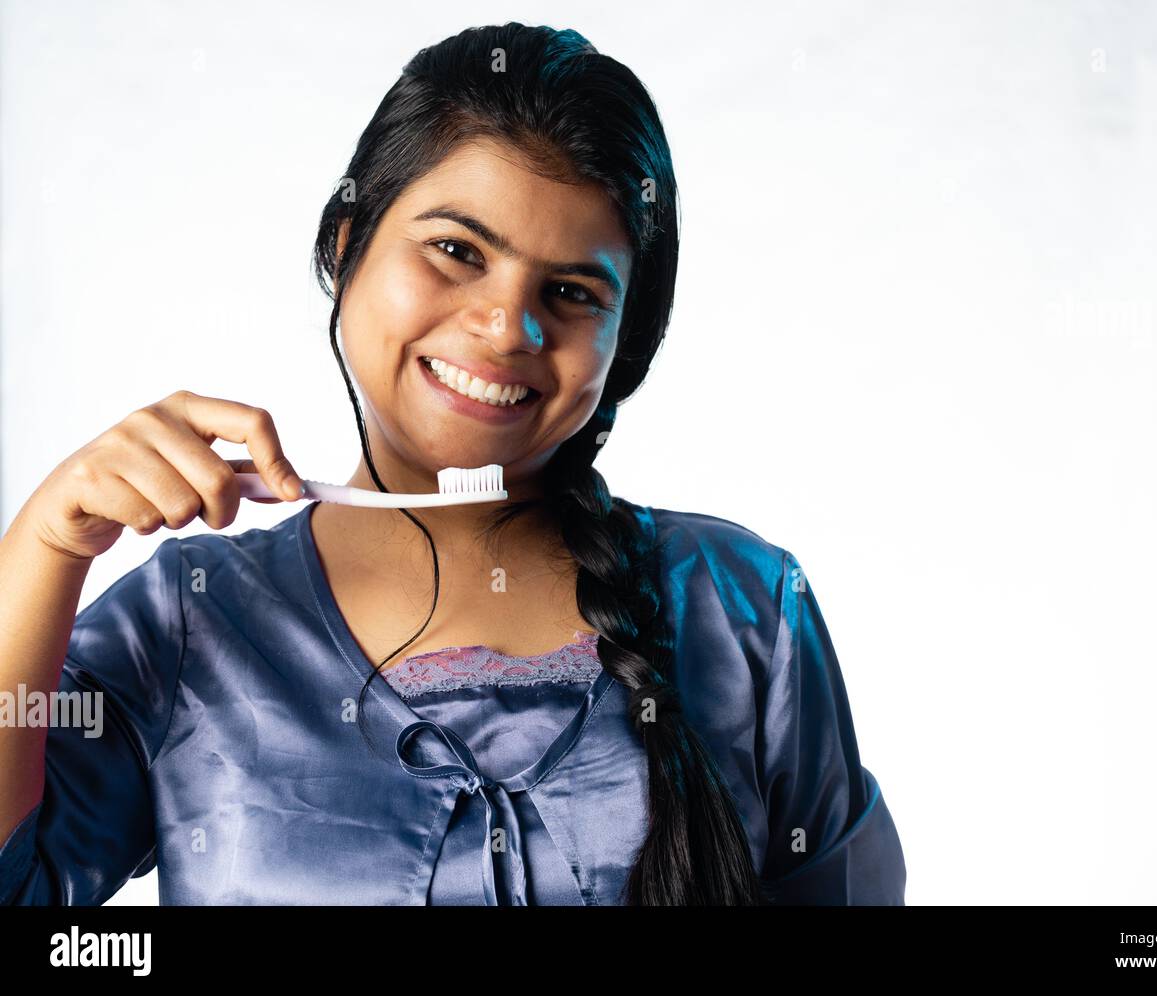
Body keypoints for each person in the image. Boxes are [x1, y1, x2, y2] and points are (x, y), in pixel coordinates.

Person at [0, 22, 905, 906]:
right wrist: (43, 548)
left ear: (626, 341)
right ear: (347, 244)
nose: (509, 327)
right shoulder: (186, 622)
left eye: (571, 292)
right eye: (456, 250)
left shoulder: (746, 608)